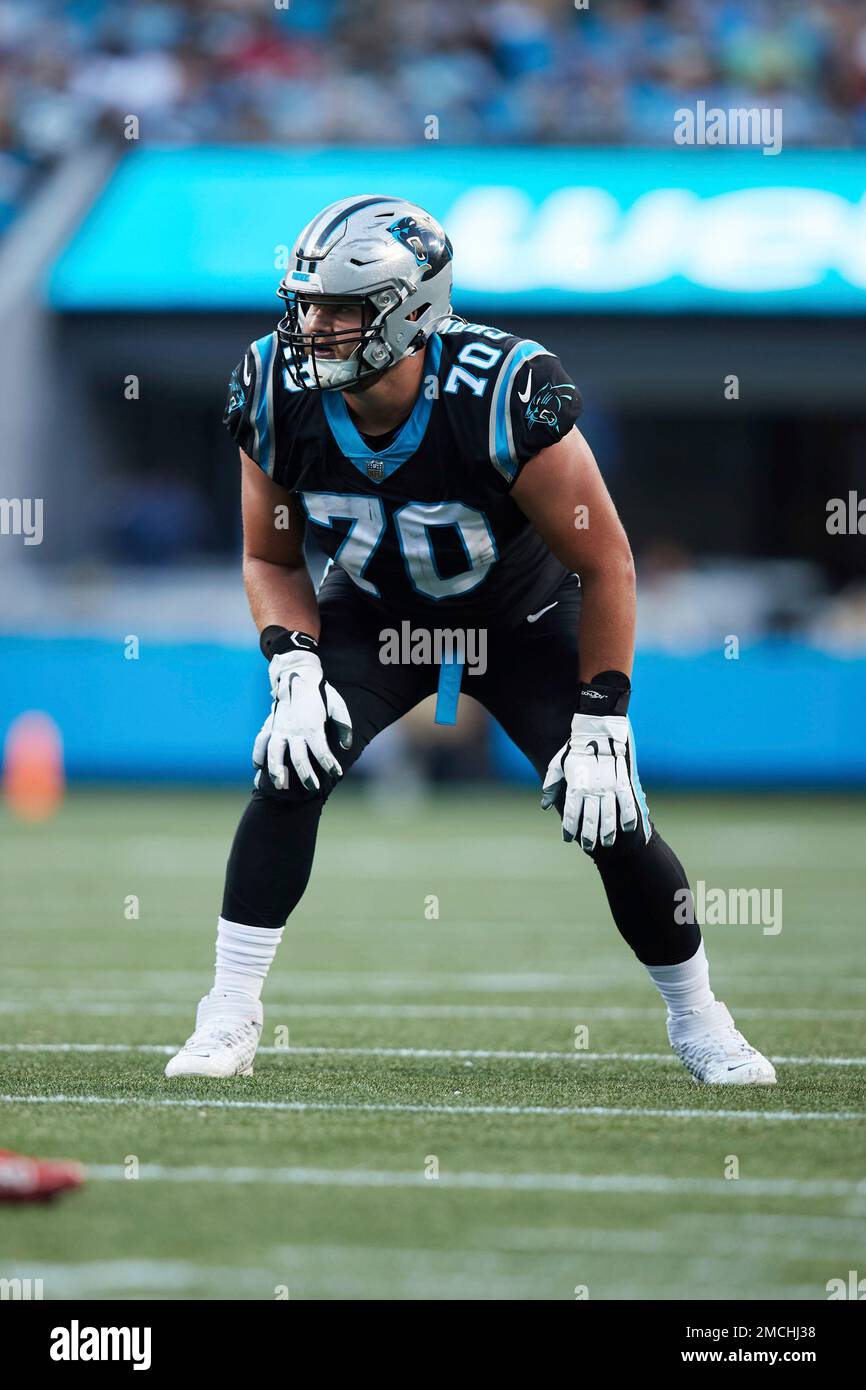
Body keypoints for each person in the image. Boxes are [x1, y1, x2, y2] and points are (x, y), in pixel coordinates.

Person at [165, 195, 775, 1087]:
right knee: (292, 763)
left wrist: (605, 717)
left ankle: (700, 1017)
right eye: (306, 304)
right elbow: (269, 553)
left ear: (409, 311)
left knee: (607, 808)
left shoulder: (504, 390)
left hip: (521, 617)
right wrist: (291, 665)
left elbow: (607, 564)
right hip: (374, 611)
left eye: (340, 308)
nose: (314, 328)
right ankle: (228, 1011)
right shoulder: (269, 386)